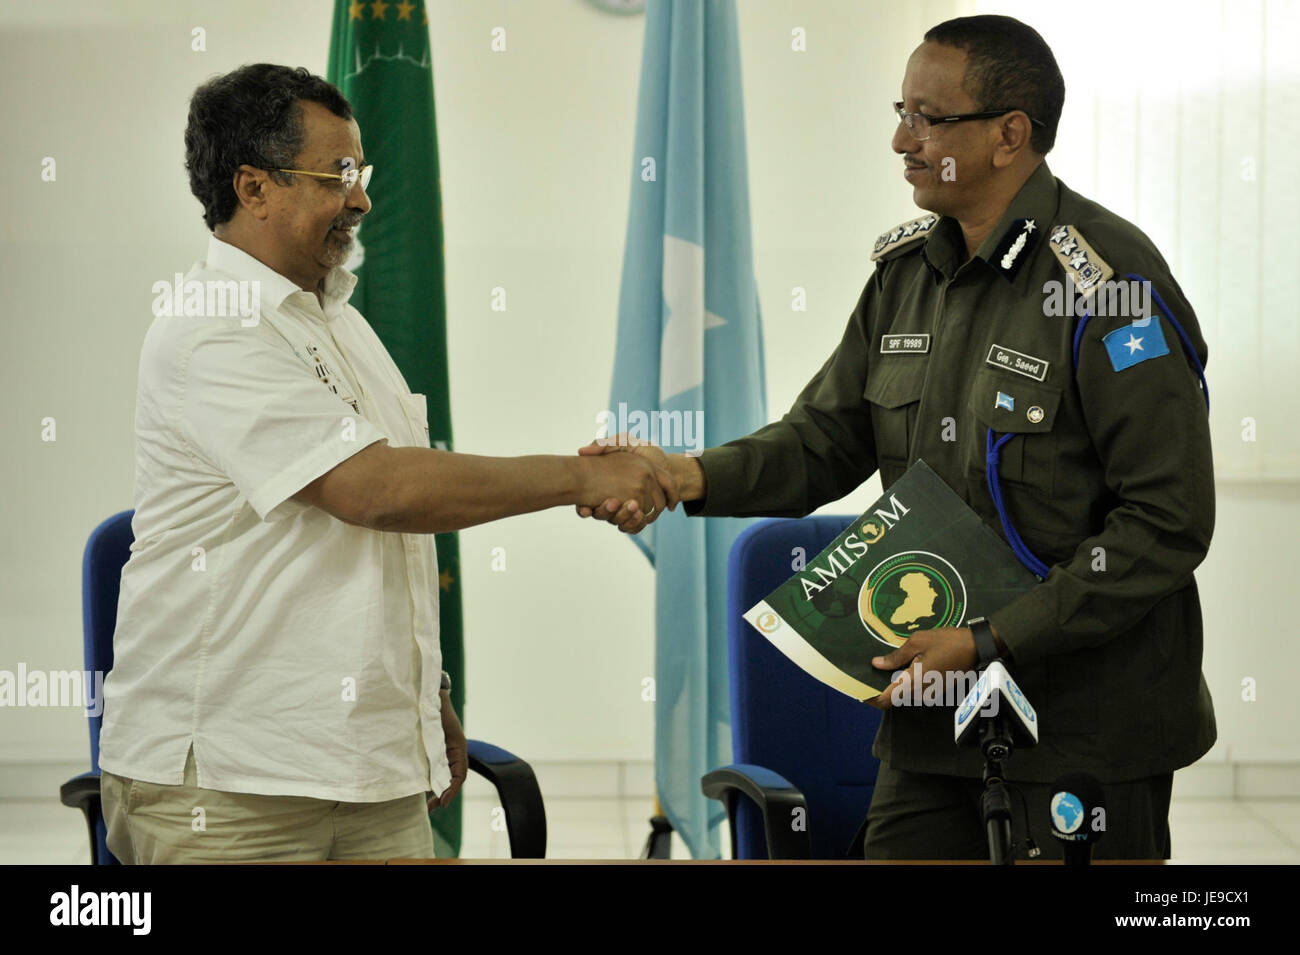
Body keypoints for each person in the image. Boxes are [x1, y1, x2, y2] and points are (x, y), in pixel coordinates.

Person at [579, 15, 1215, 861]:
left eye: (928, 117)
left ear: (1008, 135)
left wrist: (993, 639)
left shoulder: (1107, 283)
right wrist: (682, 473)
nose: (899, 139)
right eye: (901, 110)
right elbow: (820, 442)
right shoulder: (907, 276)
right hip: (933, 727)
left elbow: (1168, 521)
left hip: (1082, 732)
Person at [99, 64, 678, 864]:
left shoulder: (339, 322)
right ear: (253, 187)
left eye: (359, 172)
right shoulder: (211, 329)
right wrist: (583, 476)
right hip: (232, 789)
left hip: (365, 772)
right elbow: (377, 491)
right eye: (338, 175)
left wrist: (421, 693)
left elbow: (383, 539)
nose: (362, 198)